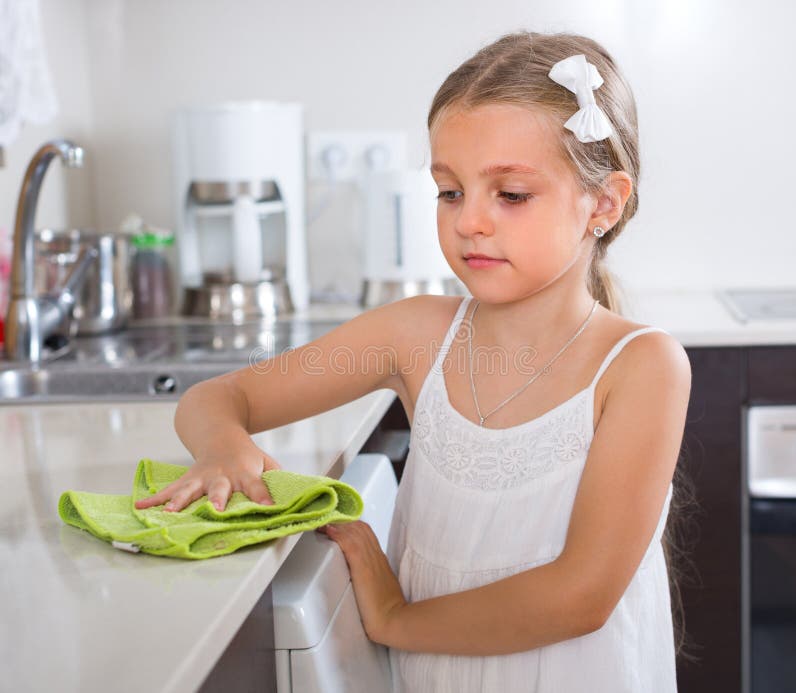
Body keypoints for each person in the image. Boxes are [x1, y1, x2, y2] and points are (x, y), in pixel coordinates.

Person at [136, 30, 691, 692]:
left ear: (603, 202)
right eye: (449, 191)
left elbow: (581, 595)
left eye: (509, 194)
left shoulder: (642, 367)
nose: (470, 222)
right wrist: (225, 447)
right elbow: (214, 398)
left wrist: (397, 616)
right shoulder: (416, 334)